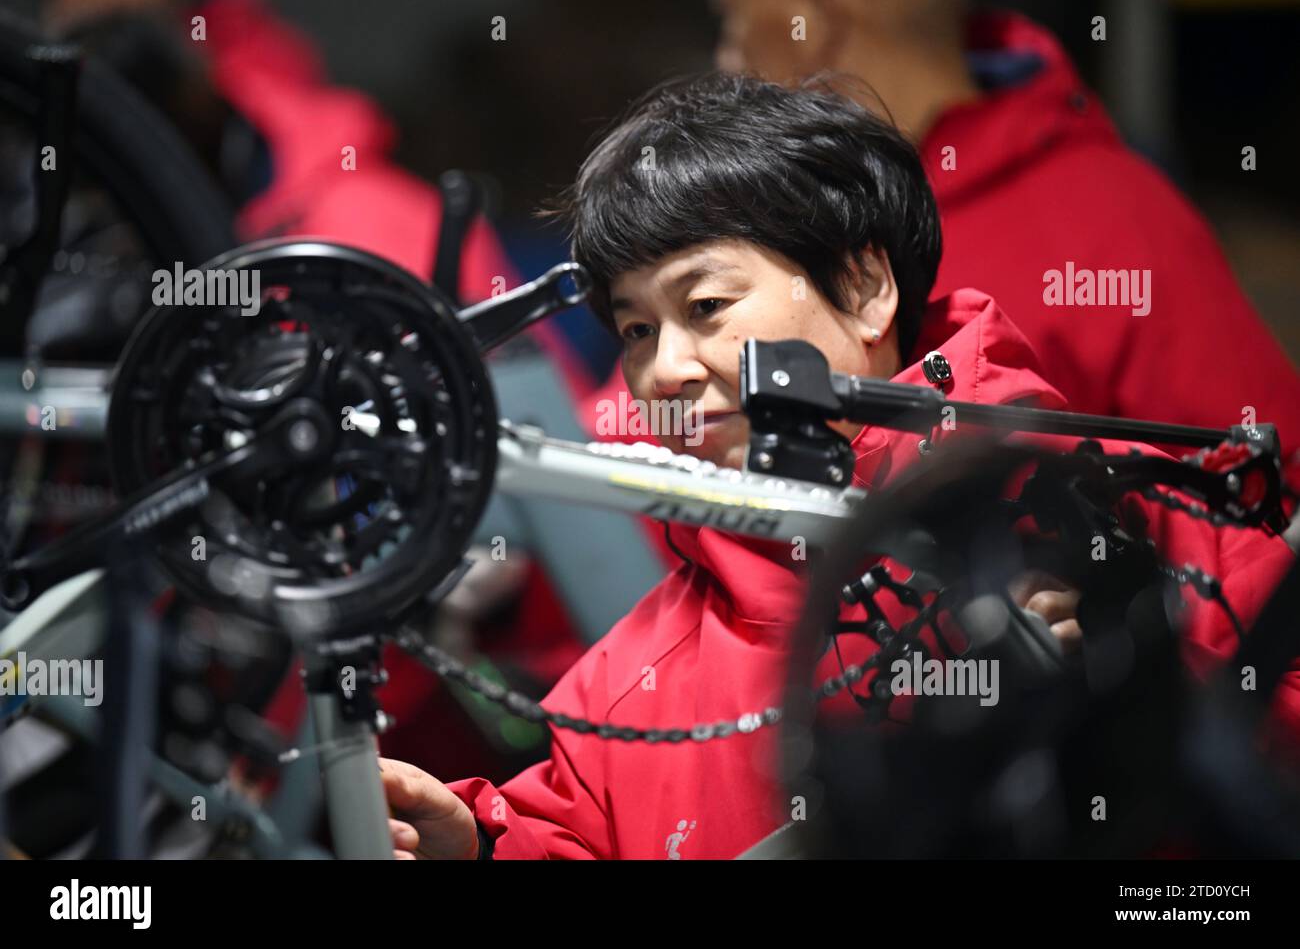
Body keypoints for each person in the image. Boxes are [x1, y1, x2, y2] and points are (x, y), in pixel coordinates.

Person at [379, 73, 1298, 859]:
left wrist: (1155, 676)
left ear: (864, 288)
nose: (661, 368)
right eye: (634, 329)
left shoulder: (1134, 520)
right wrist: (476, 844)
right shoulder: (625, 688)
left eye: (704, 304)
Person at [582, 0, 1300, 502]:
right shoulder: (749, 246)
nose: (725, 63)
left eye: (735, 25)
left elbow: (1273, 506)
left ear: (818, 16)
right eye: (640, 329)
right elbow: (646, 434)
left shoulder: (1116, 220)